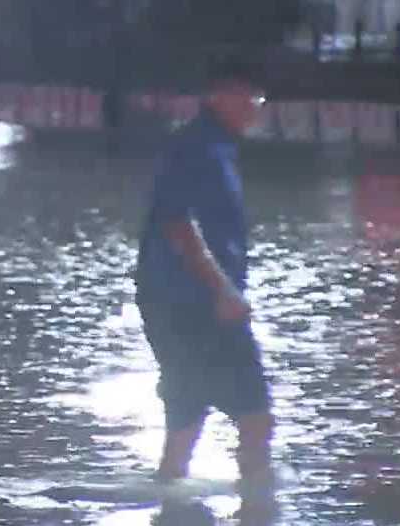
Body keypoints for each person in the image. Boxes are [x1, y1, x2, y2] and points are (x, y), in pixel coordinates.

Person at [134, 59, 274, 492]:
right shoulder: (198, 148)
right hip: (195, 302)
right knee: (254, 414)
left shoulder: (216, 148)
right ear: (219, 96)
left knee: (187, 414)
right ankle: (258, 506)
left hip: (180, 300)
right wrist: (224, 289)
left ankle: (169, 503)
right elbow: (177, 222)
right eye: (248, 96)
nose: (255, 106)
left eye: (258, 98)